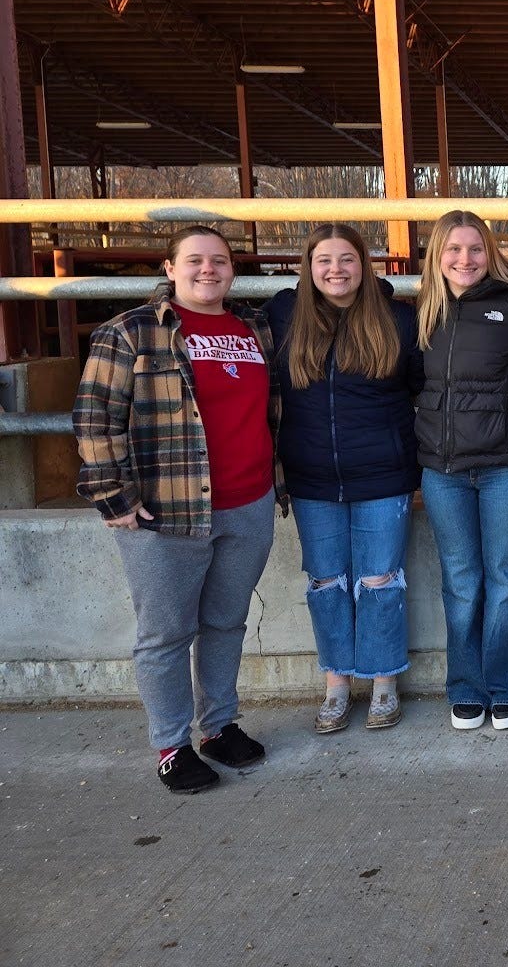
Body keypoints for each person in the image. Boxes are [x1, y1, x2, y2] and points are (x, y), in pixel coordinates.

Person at [74, 225, 285, 794]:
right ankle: (172, 744)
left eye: (219, 261)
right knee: (166, 634)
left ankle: (217, 726)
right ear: (170, 269)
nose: (208, 270)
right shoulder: (132, 332)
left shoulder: (253, 327)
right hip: (165, 510)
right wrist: (111, 495)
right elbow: (94, 418)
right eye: (194, 261)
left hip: (248, 501)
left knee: (225, 622)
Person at [264, 224, 423, 735]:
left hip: (382, 473)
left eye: (347, 259)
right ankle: (336, 683)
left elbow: (419, 387)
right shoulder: (284, 316)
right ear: (306, 268)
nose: (336, 269)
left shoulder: (398, 320)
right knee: (325, 581)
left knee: (379, 580)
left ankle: (382, 682)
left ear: (365, 265)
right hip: (311, 477)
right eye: (324, 260)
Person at [415, 211, 508, 733]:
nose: (464, 260)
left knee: (506, 578)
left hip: (504, 467)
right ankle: (466, 687)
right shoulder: (421, 314)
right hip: (442, 472)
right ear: (437, 257)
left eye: (475, 250)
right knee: (461, 581)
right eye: (453, 250)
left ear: (490, 254)